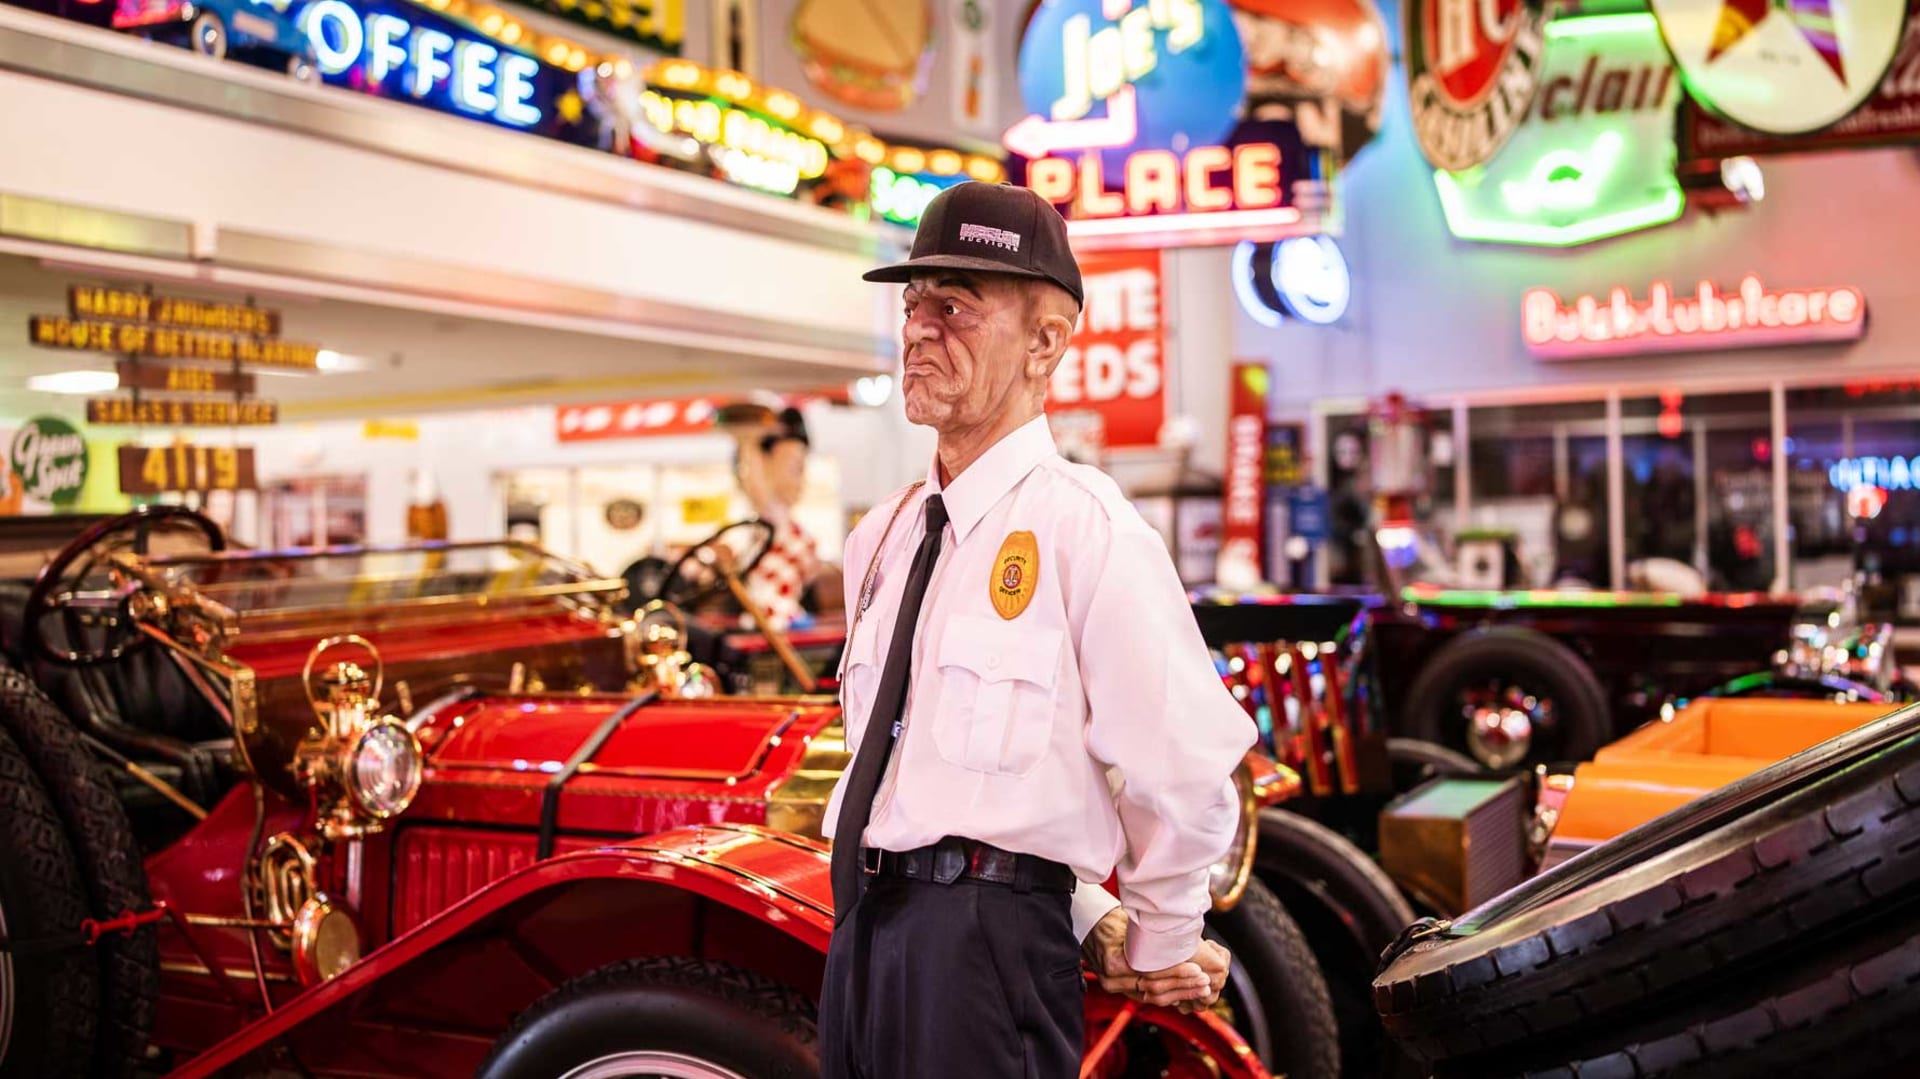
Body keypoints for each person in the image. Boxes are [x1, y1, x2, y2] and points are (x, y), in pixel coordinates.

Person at [819, 181, 1255, 1078]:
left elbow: (1185, 767)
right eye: (911, 305)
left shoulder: (1085, 530)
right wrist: (1099, 915)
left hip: (984, 958)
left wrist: (1163, 935)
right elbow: (940, 788)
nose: (916, 331)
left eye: (955, 307)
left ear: (1046, 342)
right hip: (862, 933)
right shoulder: (883, 538)